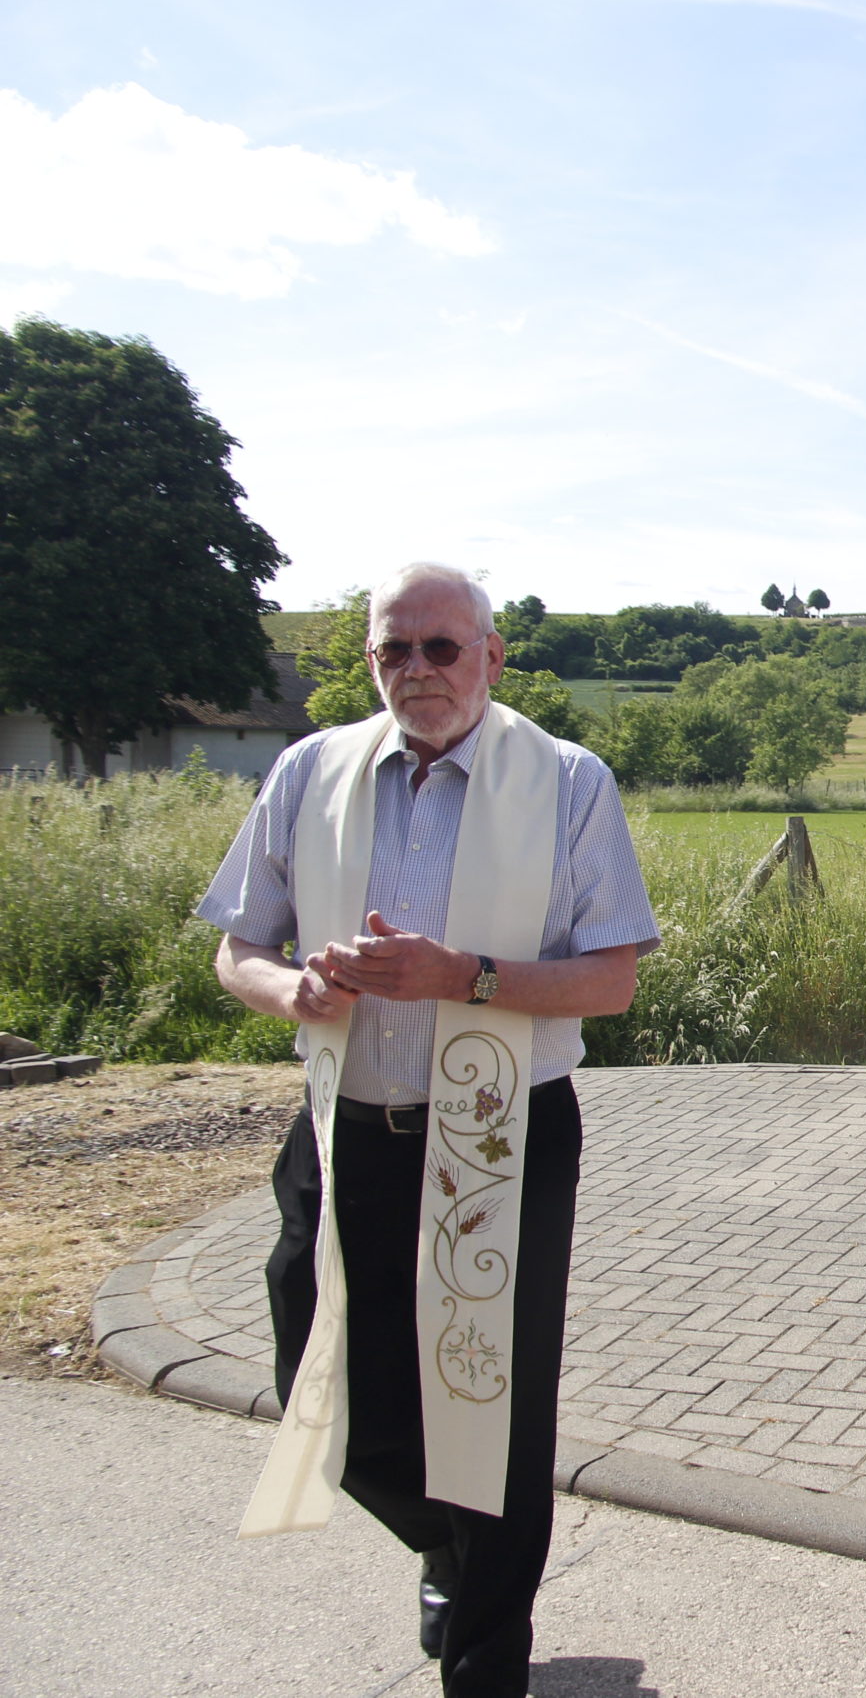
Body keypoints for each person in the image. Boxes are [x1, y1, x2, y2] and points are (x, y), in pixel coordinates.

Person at [199, 563, 657, 1698]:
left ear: (492, 658)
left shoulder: (564, 780)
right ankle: (444, 1548)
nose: (417, 671)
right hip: (344, 1125)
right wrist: (290, 993)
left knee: (494, 1400)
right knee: (323, 1372)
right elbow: (236, 948)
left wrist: (470, 978)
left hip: (505, 1134)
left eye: (441, 648)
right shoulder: (311, 772)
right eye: (392, 651)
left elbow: (611, 985)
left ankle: (486, 1657)